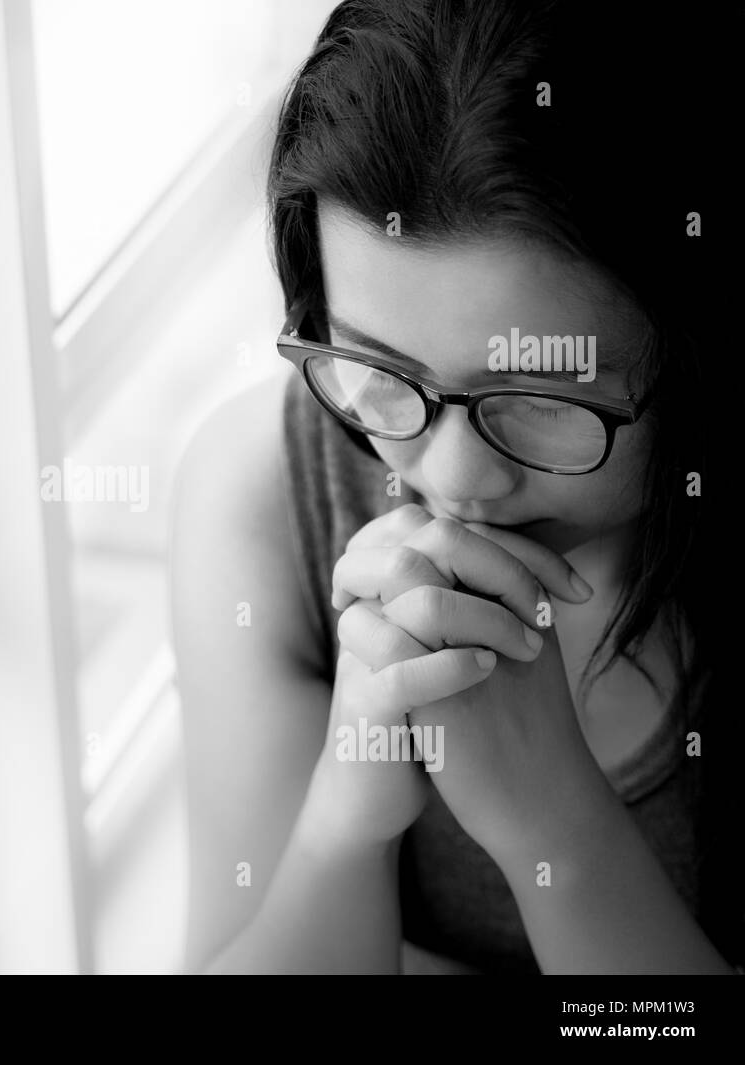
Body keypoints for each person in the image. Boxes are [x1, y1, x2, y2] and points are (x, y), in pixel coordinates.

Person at [170, 0, 730, 973]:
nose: (454, 480)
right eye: (383, 372)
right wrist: (341, 829)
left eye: (542, 396)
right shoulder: (264, 498)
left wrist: (558, 831)